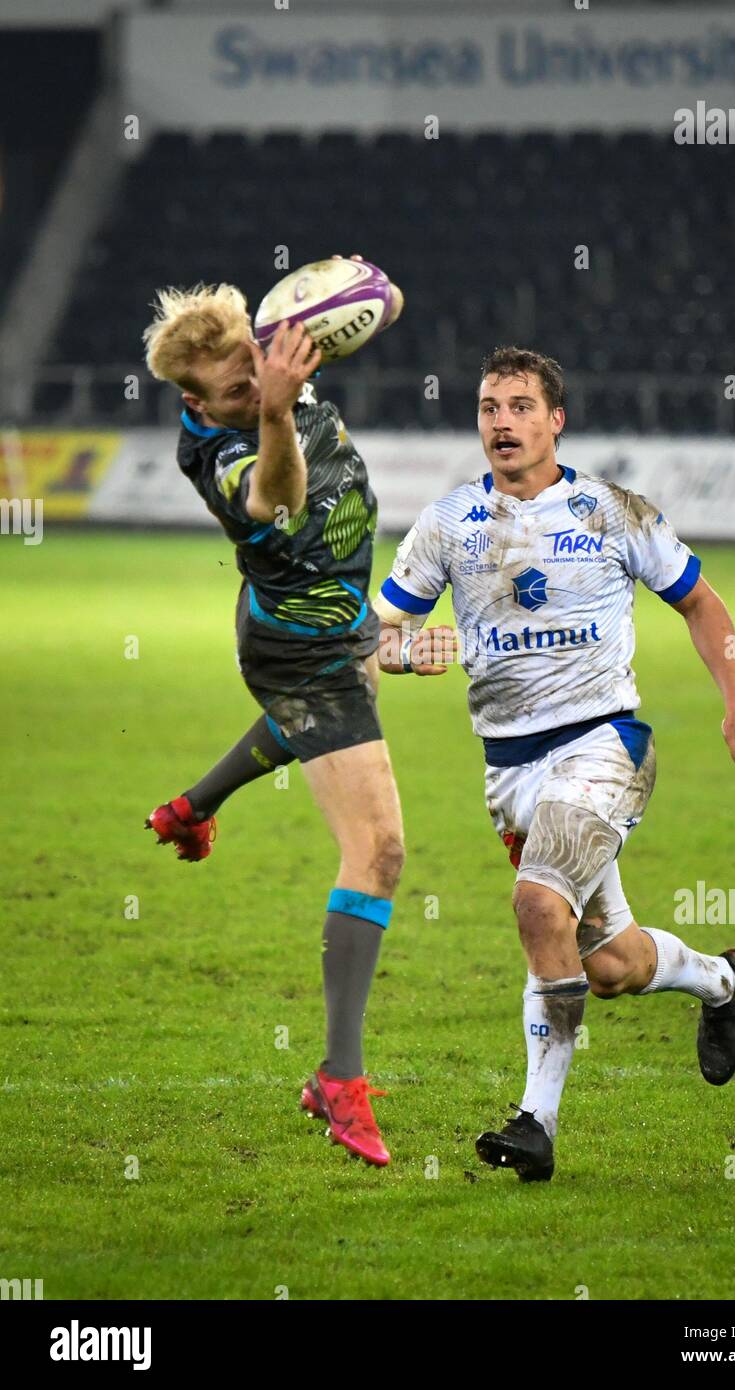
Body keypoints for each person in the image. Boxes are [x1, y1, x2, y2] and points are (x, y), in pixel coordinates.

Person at [373, 345, 735, 1182]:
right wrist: (411, 654)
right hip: (511, 772)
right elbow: (375, 639)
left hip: (604, 747)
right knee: (610, 963)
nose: (502, 423)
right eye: (489, 407)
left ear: (556, 419)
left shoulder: (610, 510)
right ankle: (718, 981)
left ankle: (536, 1124)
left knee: (534, 905)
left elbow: (700, 601)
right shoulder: (449, 525)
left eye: (520, 406)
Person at [141, 271, 405, 1167]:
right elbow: (280, 501)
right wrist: (280, 413)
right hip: (302, 648)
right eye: (235, 391)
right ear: (196, 400)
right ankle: (340, 1077)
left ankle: (193, 805)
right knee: (379, 850)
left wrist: (336, 309)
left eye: (256, 370)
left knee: (325, 742)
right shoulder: (221, 452)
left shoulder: (269, 358)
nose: (254, 389)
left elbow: (389, 297)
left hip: (333, 618)